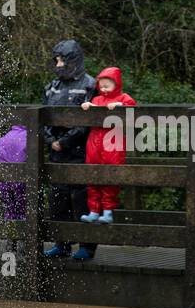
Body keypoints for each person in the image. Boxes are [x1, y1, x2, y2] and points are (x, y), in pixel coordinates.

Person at [41, 40, 98, 260]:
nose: (59, 64)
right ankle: (61, 243)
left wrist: (65, 141)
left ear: (74, 59)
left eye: (62, 59)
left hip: (80, 151)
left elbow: (87, 121)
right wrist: (51, 140)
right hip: (56, 153)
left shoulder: (89, 85)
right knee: (57, 197)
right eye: (56, 60)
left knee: (81, 198)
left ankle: (87, 246)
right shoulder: (52, 86)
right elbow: (42, 116)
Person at [79, 67, 136, 224]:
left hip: (112, 142)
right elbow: (89, 107)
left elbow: (132, 106)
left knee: (110, 175)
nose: (103, 89)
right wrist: (87, 105)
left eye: (107, 86)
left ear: (116, 84)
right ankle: (94, 210)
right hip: (94, 142)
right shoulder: (97, 100)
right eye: (101, 86)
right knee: (92, 175)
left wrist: (120, 104)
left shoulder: (124, 97)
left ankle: (108, 211)